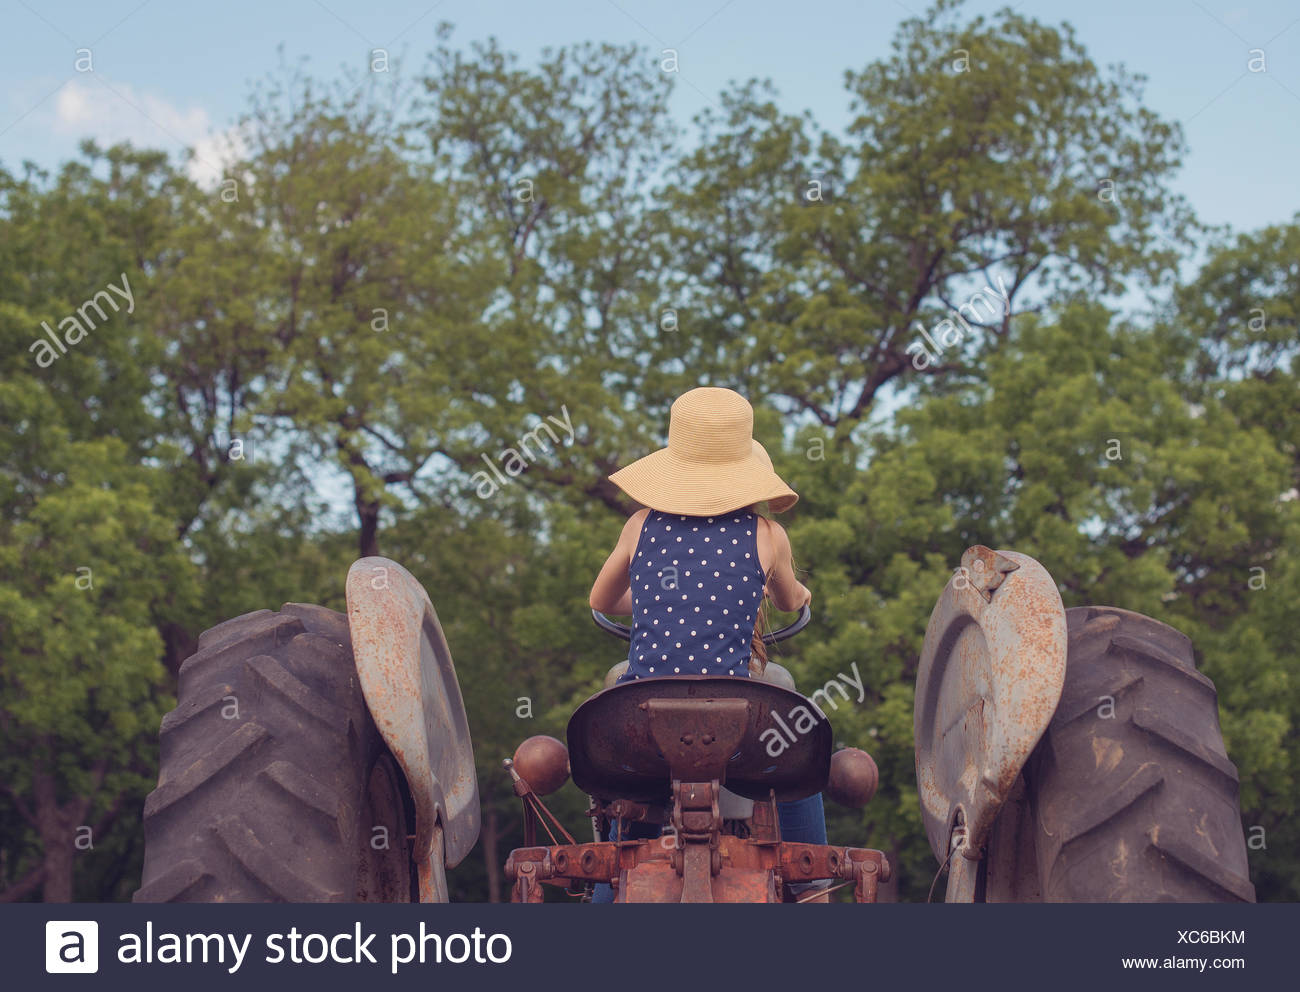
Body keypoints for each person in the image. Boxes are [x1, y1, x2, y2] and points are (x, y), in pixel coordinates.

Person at [587, 385, 828, 902]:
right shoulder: (768, 534)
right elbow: (789, 602)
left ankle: (610, 891)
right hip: (733, 731)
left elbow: (602, 599)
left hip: (643, 725)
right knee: (798, 720)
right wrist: (802, 590)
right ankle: (813, 884)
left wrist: (652, 600)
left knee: (627, 795)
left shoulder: (639, 526)